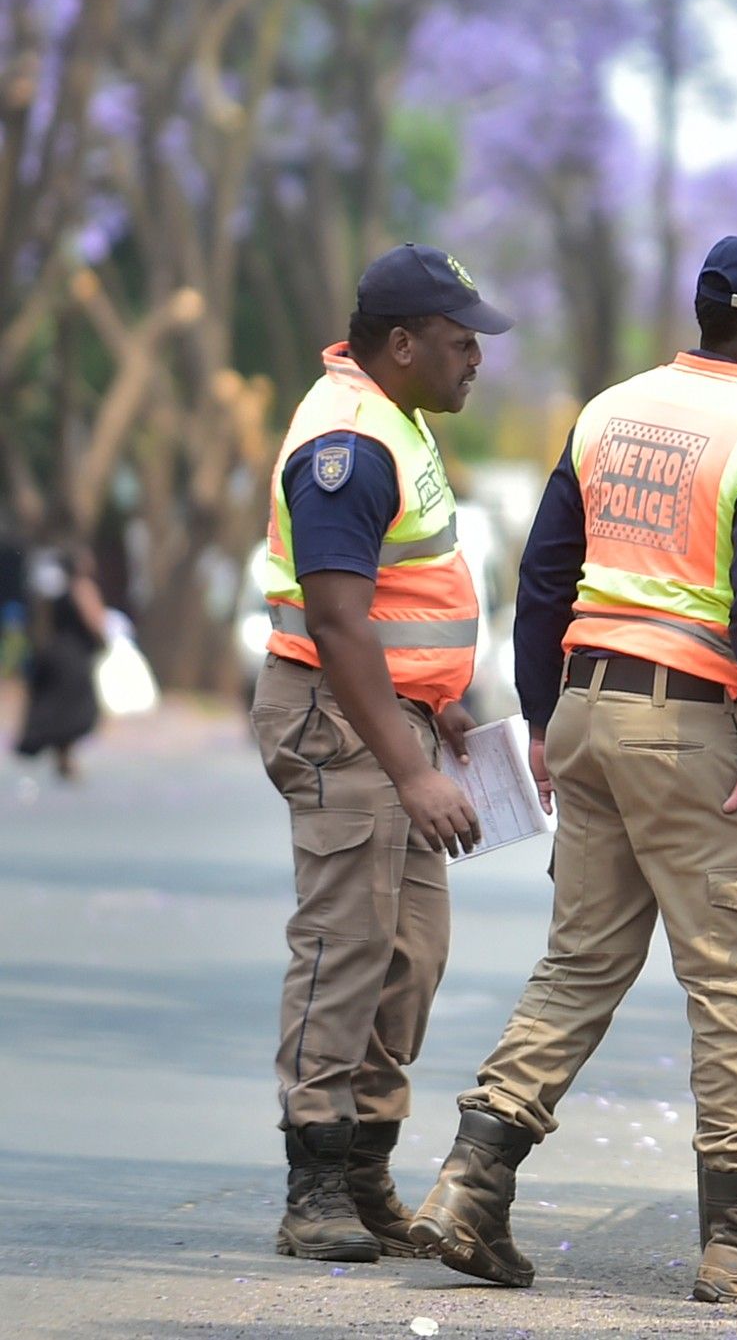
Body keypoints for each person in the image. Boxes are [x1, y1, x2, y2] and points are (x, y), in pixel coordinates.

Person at [410, 230, 737, 1306]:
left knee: (579, 964)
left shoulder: (613, 408)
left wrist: (551, 721)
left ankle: (469, 1183)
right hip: (691, 723)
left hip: (594, 710)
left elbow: (547, 569)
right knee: (735, 980)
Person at [250, 243, 512, 1264]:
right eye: (459, 341)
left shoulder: (395, 420)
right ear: (399, 343)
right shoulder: (347, 440)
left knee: (409, 956)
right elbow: (336, 618)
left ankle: (363, 1169)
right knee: (344, 945)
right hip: (343, 719)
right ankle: (312, 1180)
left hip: (398, 716)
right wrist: (407, 767)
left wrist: (445, 712)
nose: (474, 359)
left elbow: (404, 603)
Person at [13, 541, 107, 779]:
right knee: (80, 709)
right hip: (73, 657)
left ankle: (63, 757)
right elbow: (96, 622)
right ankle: (65, 757)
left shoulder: (53, 591)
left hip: (53, 654)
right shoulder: (83, 588)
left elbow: (40, 624)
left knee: (60, 708)